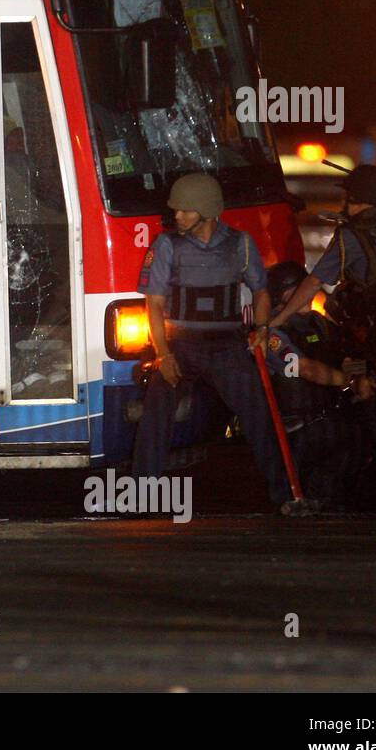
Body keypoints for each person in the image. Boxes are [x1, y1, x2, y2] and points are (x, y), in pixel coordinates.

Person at [270, 164, 376, 509]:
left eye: (348, 195)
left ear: (358, 199)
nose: (344, 201)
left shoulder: (352, 236)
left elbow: (313, 284)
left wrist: (278, 320)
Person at [133, 172, 297, 511]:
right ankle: (140, 496)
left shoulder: (240, 244)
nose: (176, 216)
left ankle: (286, 494)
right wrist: (163, 354)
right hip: (180, 345)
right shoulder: (167, 245)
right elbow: (155, 303)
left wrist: (263, 330)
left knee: (259, 416)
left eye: (184, 211)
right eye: (176, 211)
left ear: (207, 210)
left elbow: (262, 291)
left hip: (226, 346)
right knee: (155, 415)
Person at [263, 261, 368, 511]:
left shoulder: (320, 324)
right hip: (298, 428)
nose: (305, 294)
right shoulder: (274, 334)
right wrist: (348, 382)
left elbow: (344, 356)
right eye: (296, 289)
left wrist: (362, 378)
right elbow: (305, 368)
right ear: (280, 295)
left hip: (329, 416)